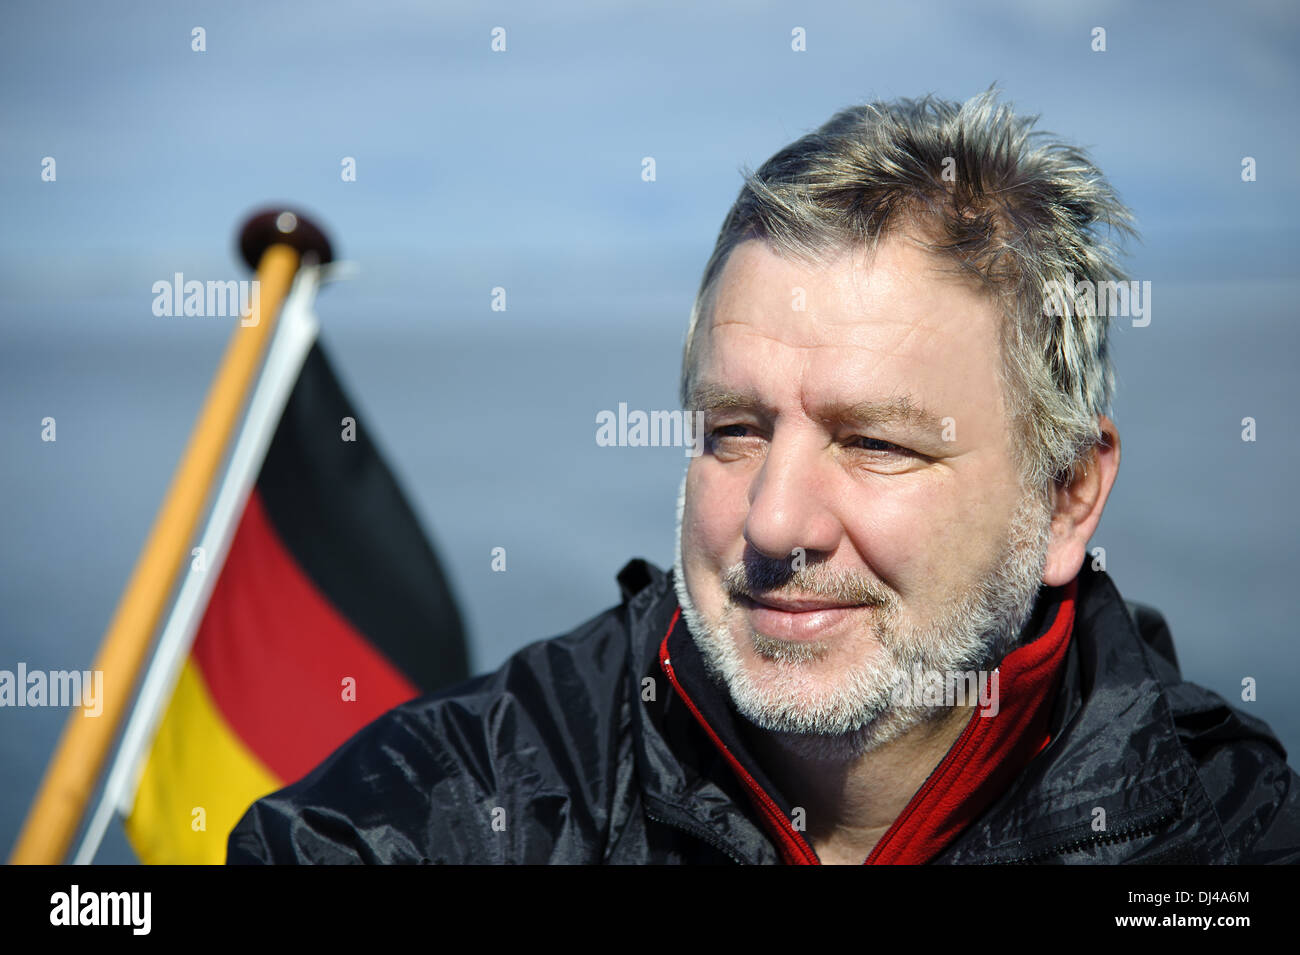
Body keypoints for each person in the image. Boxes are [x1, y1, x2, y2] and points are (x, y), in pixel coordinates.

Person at [228, 90, 1300, 864]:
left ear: (1066, 493)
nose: (773, 521)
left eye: (877, 443)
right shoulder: (461, 802)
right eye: (734, 429)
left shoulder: (1227, 829)